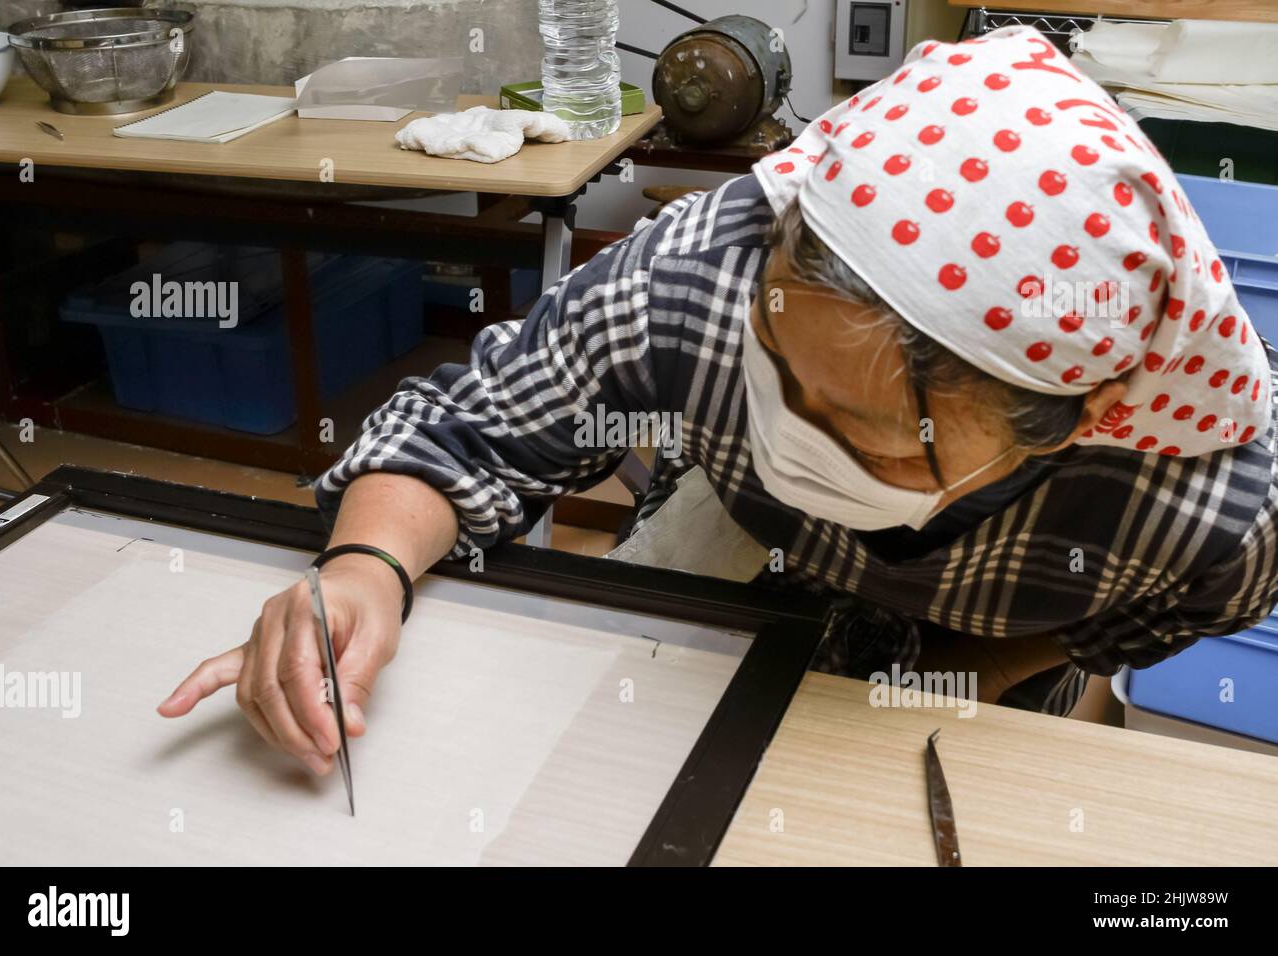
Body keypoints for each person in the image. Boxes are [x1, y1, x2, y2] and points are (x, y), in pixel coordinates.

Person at [159, 27, 1278, 776]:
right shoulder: (704, 274)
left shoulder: (1199, 519)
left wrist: (929, 693)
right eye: (780, 371)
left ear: (1077, 423)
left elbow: (1120, 624)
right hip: (738, 528)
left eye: (879, 438)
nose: (801, 431)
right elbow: (477, 423)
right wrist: (364, 569)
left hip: (997, 615)